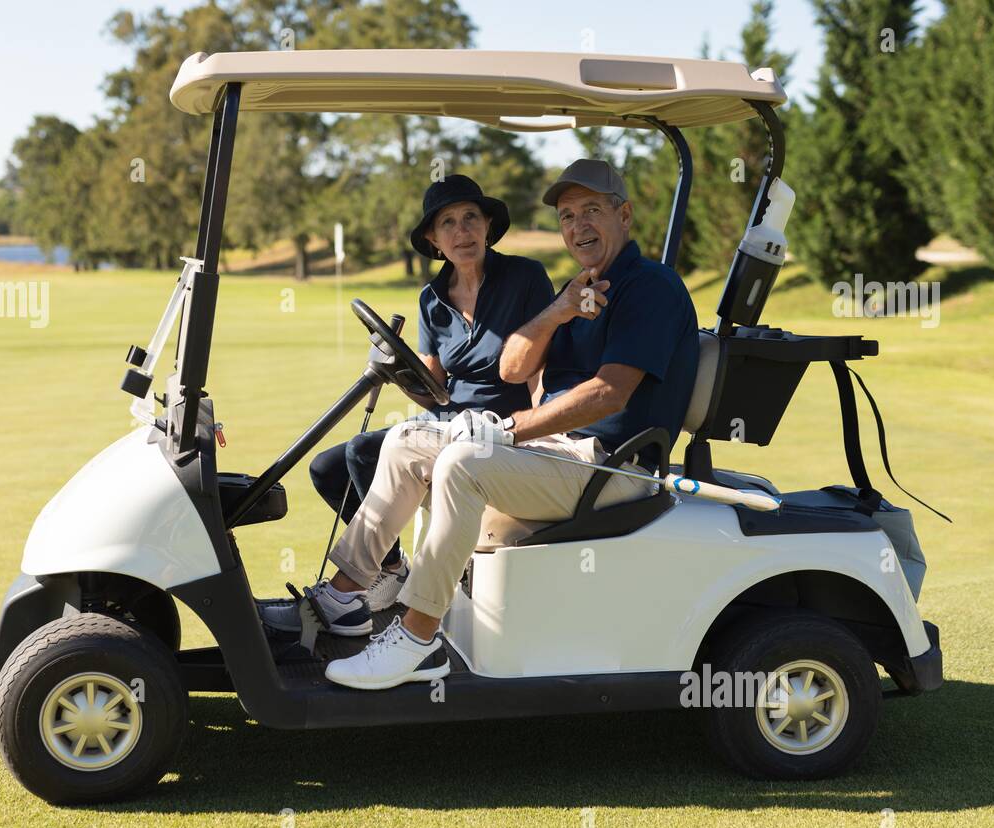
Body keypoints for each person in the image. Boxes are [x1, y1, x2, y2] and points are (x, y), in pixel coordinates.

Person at [284, 159, 702, 690]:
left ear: (625, 215)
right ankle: (347, 593)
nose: (578, 227)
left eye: (592, 211)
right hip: (563, 453)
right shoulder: (587, 287)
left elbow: (607, 394)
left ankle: (417, 639)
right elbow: (513, 368)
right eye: (568, 216)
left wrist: (507, 432)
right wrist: (559, 310)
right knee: (407, 441)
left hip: (614, 465)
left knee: (464, 463)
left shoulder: (650, 288)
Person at [261, 174, 554, 632]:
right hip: (445, 420)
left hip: (498, 425)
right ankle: (391, 568)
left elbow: (540, 361)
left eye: (470, 218)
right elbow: (433, 385)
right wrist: (395, 366)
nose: (462, 232)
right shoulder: (431, 300)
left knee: (364, 452)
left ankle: (360, 582)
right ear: (435, 240)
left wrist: (541, 429)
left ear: (487, 225)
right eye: (449, 223)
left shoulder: (524, 277)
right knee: (329, 466)